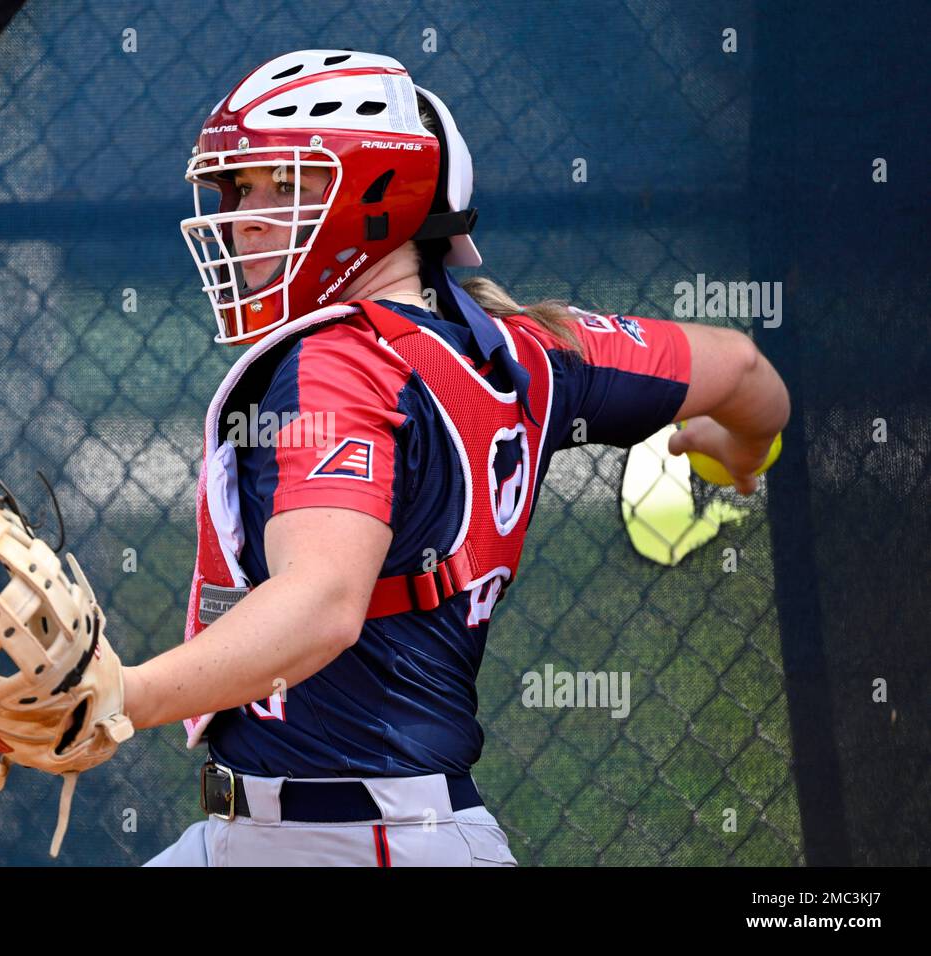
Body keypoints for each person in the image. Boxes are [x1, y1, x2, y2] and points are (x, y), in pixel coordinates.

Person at [121, 49, 789, 866]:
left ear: (383, 196)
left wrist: (121, 697)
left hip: (344, 839)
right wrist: (740, 446)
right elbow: (747, 370)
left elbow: (323, 604)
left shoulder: (341, 359)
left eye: (284, 187)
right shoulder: (531, 348)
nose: (244, 216)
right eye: (239, 189)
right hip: (354, 830)